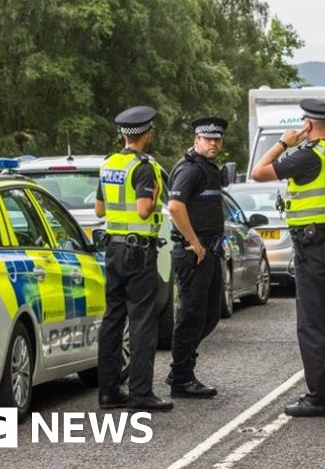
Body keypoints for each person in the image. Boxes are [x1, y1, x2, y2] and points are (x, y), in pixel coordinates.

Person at [250, 98, 325, 417]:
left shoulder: (309, 156)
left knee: (313, 324)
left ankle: (320, 397)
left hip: (316, 248)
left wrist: (284, 142)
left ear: (309, 125)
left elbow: (258, 172)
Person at [95, 105, 173, 412]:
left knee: (113, 318)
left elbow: (100, 211)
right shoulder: (144, 167)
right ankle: (141, 393)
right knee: (142, 320)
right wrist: (154, 198)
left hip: (113, 249)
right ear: (147, 134)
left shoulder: (109, 163)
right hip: (138, 250)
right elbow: (143, 209)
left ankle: (108, 391)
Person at [163, 116, 228, 399]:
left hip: (210, 252)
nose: (213, 143)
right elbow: (175, 207)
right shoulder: (190, 170)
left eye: (217, 139)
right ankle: (181, 378)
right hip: (193, 254)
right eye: (208, 139)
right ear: (196, 140)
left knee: (210, 316)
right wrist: (195, 243)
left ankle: (180, 367)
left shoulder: (208, 168)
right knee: (190, 315)